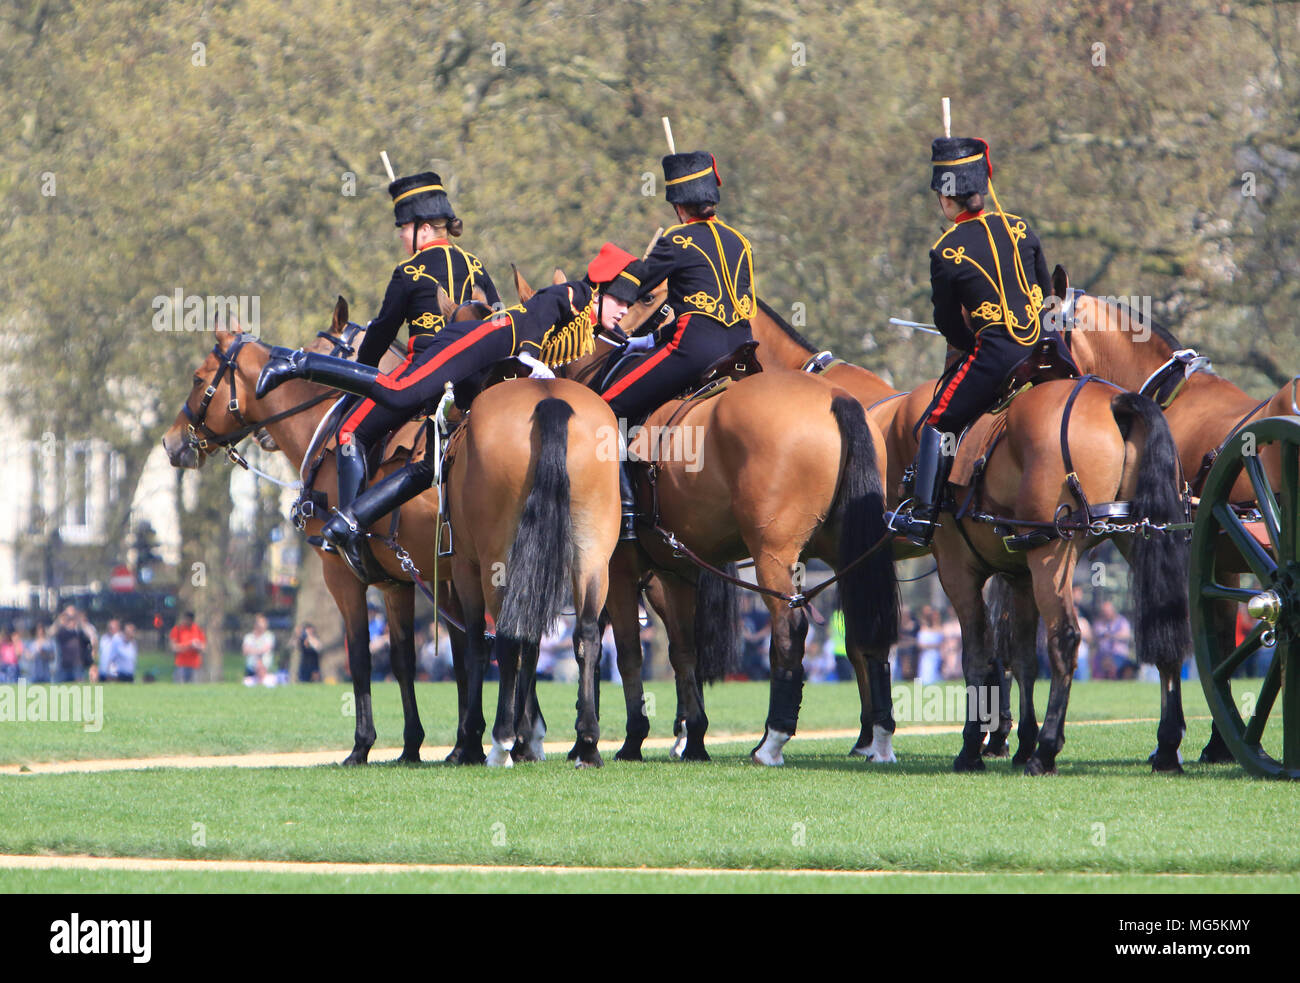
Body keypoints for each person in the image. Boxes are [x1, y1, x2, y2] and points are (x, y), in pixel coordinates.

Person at [259, 229, 646, 580]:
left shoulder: (590, 322)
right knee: (396, 392)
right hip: (475, 342)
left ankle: (350, 519)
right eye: (620, 301)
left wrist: (644, 342)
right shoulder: (574, 293)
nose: (624, 310)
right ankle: (300, 363)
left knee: (433, 466)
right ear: (602, 289)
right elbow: (539, 314)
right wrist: (531, 358)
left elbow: (606, 345)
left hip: (480, 375)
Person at [256, 171, 498, 529]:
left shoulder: (409, 272)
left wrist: (363, 378)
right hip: (479, 377)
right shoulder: (477, 267)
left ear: (423, 228)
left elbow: (381, 335)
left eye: (403, 227)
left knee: (350, 432)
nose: (401, 236)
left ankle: (349, 530)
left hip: (424, 375)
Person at [890, 136, 1061, 545]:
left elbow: (947, 322)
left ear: (947, 201)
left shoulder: (946, 251)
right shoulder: (1020, 226)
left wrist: (969, 343)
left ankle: (923, 516)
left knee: (936, 419)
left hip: (997, 356)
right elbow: (1047, 290)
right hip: (1047, 349)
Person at [599, 151, 756, 537]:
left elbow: (642, 276)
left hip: (695, 350)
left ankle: (628, 510)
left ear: (677, 204)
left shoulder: (676, 240)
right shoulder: (741, 241)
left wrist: (611, 300)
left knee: (605, 409)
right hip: (743, 352)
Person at [1092, 600, 1133, 680]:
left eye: (1108, 611)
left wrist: (1112, 636)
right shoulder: (1099, 623)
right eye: (1104, 611)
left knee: (1111, 664)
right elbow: (1094, 637)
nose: (1106, 613)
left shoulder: (1122, 621)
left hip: (1119, 655)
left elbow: (1126, 635)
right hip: (1102, 655)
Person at [53, 606, 92, 683]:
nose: (71, 622)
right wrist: (60, 618)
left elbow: (90, 636)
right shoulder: (62, 631)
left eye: (72, 619)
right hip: (64, 665)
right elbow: (50, 633)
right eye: (69, 619)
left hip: (77, 665)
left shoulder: (79, 631)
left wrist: (78, 618)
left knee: (79, 689)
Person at [169, 611, 206, 683]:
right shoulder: (177, 629)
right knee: (179, 686)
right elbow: (173, 647)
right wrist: (189, 646)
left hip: (195, 665)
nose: (186, 621)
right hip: (181, 664)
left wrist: (198, 646)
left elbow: (203, 647)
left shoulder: (198, 629)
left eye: (188, 620)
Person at [242, 614, 276, 687]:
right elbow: (245, 651)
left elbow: (266, 649)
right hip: (251, 666)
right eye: (260, 625)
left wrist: (252, 650)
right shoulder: (249, 637)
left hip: (265, 667)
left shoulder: (269, 636)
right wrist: (258, 651)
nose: (262, 628)